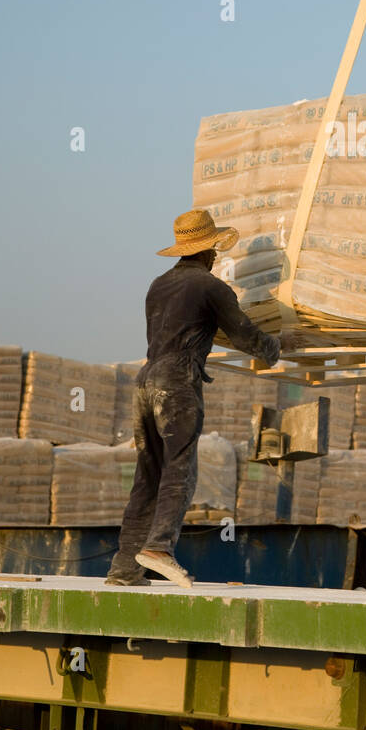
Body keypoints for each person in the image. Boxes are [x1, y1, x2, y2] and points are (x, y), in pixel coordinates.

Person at [106, 209, 280, 588]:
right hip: (177, 385)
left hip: (145, 381)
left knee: (147, 475)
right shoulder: (212, 288)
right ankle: (158, 550)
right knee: (179, 470)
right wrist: (277, 347)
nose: (216, 255)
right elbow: (245, 335)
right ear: (208, 250)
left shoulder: (158, 285)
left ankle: (124, 567)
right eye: (215, 248)